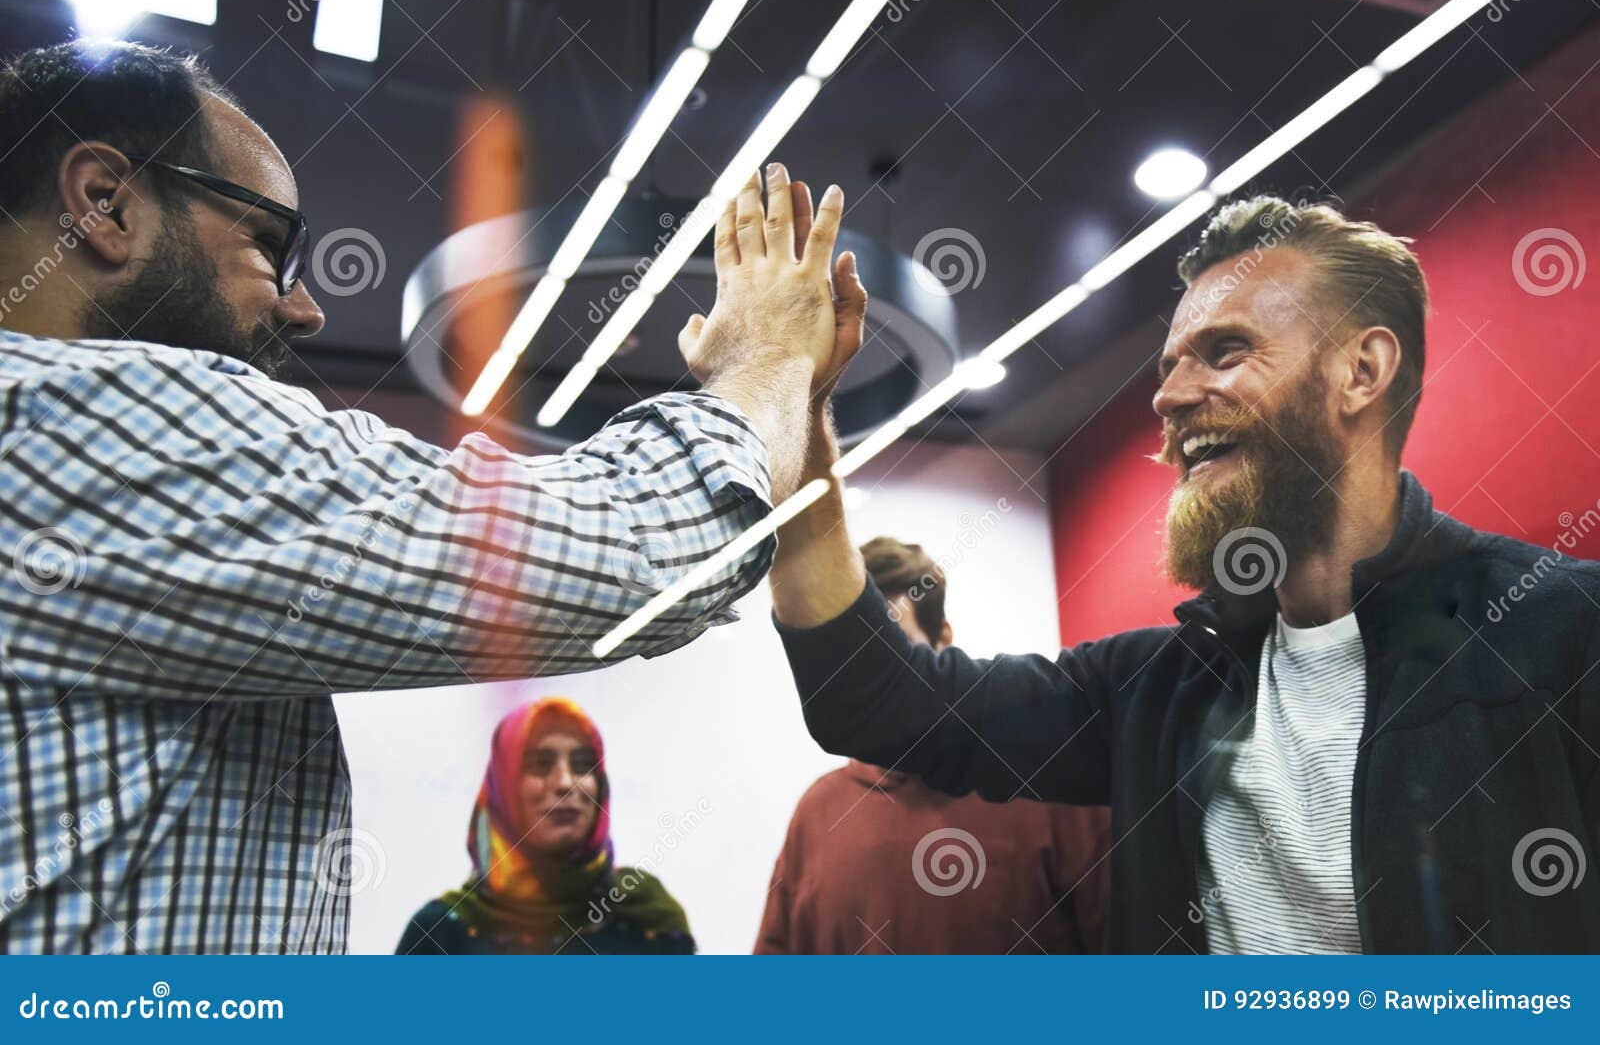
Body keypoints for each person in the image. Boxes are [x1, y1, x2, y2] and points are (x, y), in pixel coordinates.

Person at [0, 39, 866, 953]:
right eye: (269, 246)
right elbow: (640, 545)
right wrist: (768, 357)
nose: (306, 310)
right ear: (104, 204)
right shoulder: (66, 419)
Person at [768, 196, 1600, 954]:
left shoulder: (1563, 632)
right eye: (1169, 364)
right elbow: (876, 701)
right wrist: (796, 406)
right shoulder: (1159, 691)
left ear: (1362, 371)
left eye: (1225, 351)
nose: (1168, 397)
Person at [756, 536, 1109, 954]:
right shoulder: (817, 812)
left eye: (891, 657)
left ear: (942, 641)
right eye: (855, 665)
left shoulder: (1047, 783)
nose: (872, 685)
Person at [397, 697, 692, 954]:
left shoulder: (649, 919)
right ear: (504, 790)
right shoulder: (441, 934)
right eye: (540, 763)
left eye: (582, 765)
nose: (565, 783)